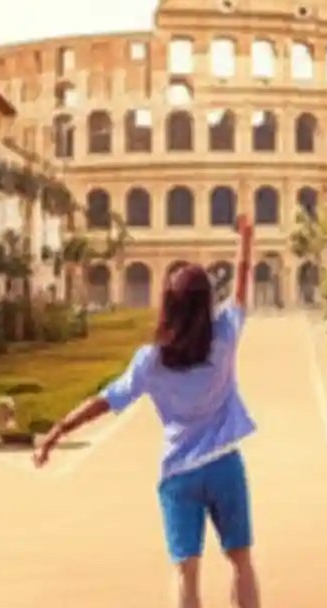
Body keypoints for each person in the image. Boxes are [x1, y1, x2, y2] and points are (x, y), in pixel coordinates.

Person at [34, 214, 261, 608]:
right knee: (240, 561)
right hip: (225, 465)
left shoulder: (150, 361)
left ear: (168, 305)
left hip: (179, 474)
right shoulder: (224, 336)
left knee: (186, 573)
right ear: (208, 301)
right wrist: (246, 237)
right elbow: (241, 282)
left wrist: (58, 431)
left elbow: (103, 401)